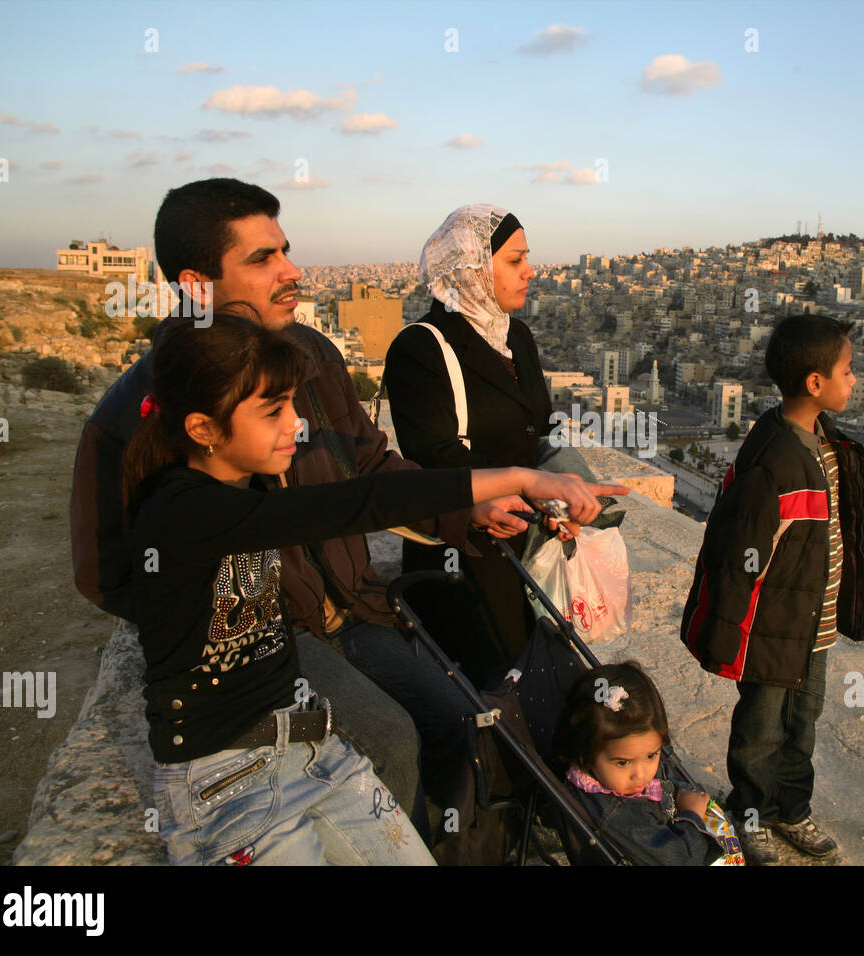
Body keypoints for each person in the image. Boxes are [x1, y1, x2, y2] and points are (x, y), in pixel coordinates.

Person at [69, 178, 521, 835]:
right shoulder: (139, 410)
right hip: (268, 644)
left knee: (460, 717)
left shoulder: (310, 358)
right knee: (389, 739)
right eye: (262, 259)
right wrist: (226, 617)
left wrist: (466, 512)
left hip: (354, 607)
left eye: (285, 250)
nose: (291, 271)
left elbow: (368, 468)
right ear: (198, 285)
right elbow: (106, 573)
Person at [128, 314, 622, 864]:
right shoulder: (183, 513)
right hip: (226, 783)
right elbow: (357, 503)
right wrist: (520, 477)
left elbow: (377, 482)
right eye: (274, 411)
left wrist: (500, 500)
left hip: (312, 748)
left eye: (294, 405)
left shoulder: (246, 484)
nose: (295, 424)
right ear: (202, 429)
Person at [679, 314, 864, 865]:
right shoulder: (773, 461)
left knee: (803, 722)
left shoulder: (823, 442)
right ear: (815, 383)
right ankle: (752, 813)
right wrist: (726, 635)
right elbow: (736, 555)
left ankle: (792, 809)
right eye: (848, 369)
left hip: (814, 620)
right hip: (772, 627)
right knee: (760, 729)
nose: (854, 380)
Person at [383, 204, 555, 688]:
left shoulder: (516, 336)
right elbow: (433, 454)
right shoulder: (421, 347)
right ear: (474, 266)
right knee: (484, 690)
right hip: (465, 555)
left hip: (526, 542)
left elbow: (538, 427)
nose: (530, 271)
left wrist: (561, 489)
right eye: (515, 260)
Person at [553, 662, 741, 866]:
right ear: (586, 757)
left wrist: (679, 792)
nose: (641, 775)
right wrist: (691, 816)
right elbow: (680, 861)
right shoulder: (622, 816)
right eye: (623, 763)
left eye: (652, 755)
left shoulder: (618, 777)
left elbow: (664, 776)